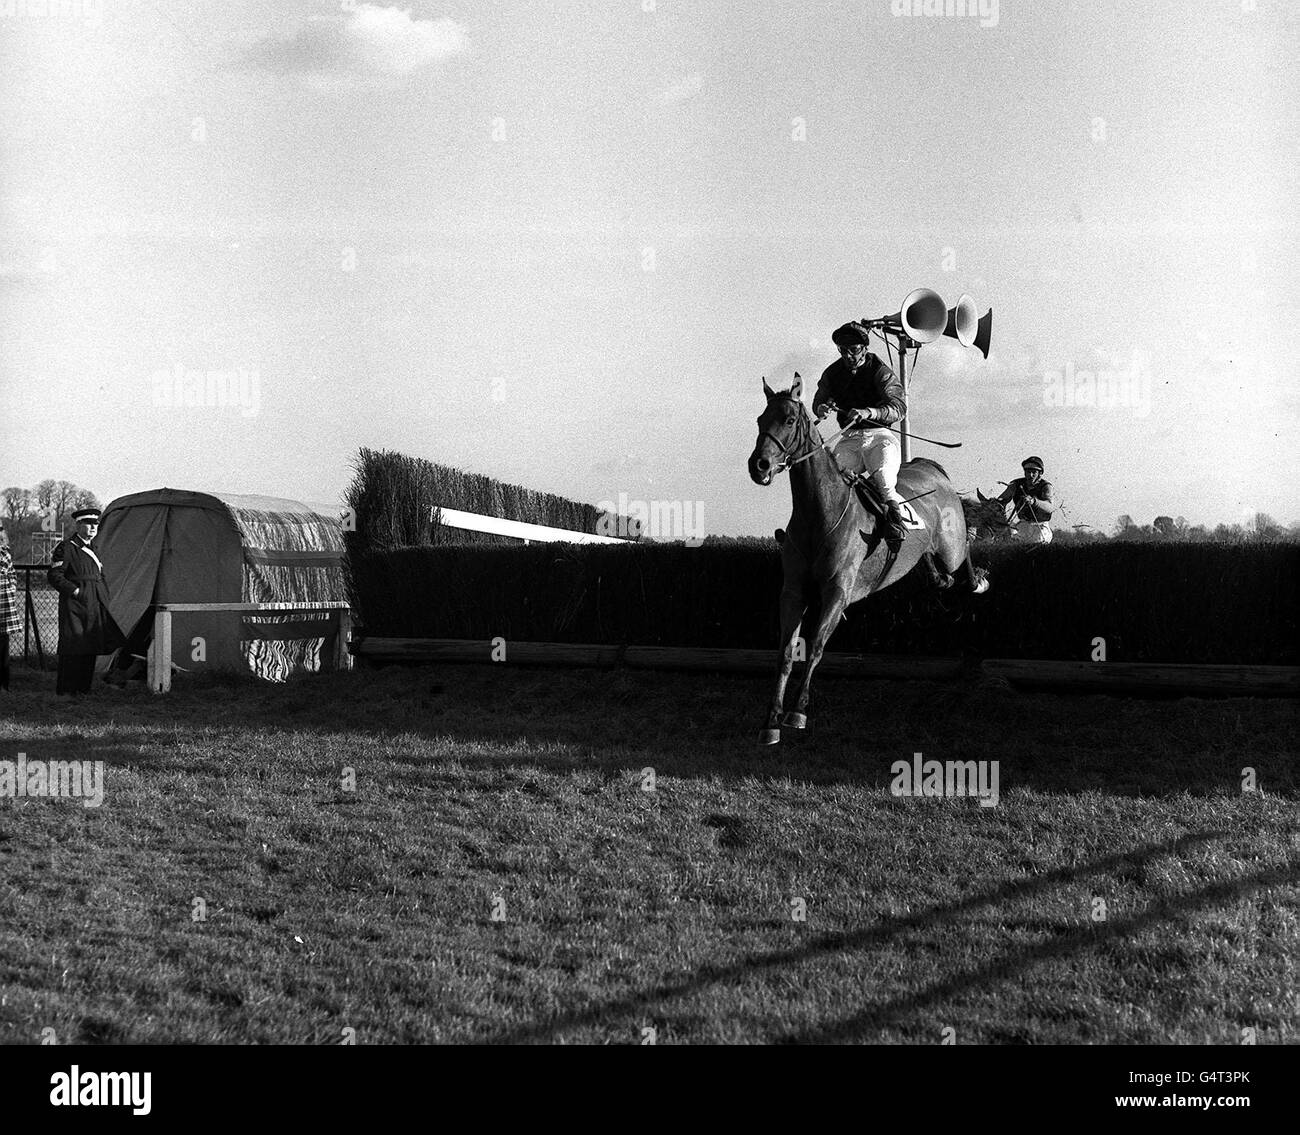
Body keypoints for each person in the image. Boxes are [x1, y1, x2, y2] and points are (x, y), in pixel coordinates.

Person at [812, 321, 909, 546]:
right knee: (826, 483)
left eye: (853, 350)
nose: (848, 355)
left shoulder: (880, 371)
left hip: (880, 437)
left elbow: (899, 409)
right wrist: (821, 408)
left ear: (864, 348)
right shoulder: (832, 372)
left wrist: (869, 412)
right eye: (842, 350)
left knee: (884, 478)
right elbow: (819, 398)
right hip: (850, 440)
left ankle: (897, 525)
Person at [47, 508, 125, 695]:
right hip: (75, 606)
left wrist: (102, 595)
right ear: (78, 525)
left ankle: (83, 689)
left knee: (90, 646)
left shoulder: (93, 549)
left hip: (94, 604)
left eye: (95, 524)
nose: (92, 528)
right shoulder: (66, 547)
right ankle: (67, 690)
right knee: (74, 647)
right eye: (88, 524)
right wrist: (76, 591)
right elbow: (55, 575)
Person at [997, 456, 1057, 544]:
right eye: (1028, 472)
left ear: (1040, 473)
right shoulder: (1016, 484)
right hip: (1022, 525)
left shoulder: (1046, 487)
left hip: (1040, 528)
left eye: (1034, 472)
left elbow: (1049, 507)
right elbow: (1002, 500)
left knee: (1035, 545)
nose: (1030, 475)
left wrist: (1034, 502)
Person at [0, 522, 21, 691]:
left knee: (3, 647)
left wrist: (11, 587)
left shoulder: (4, 554)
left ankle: (4, 684)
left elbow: (12, 573)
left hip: (3, 605)